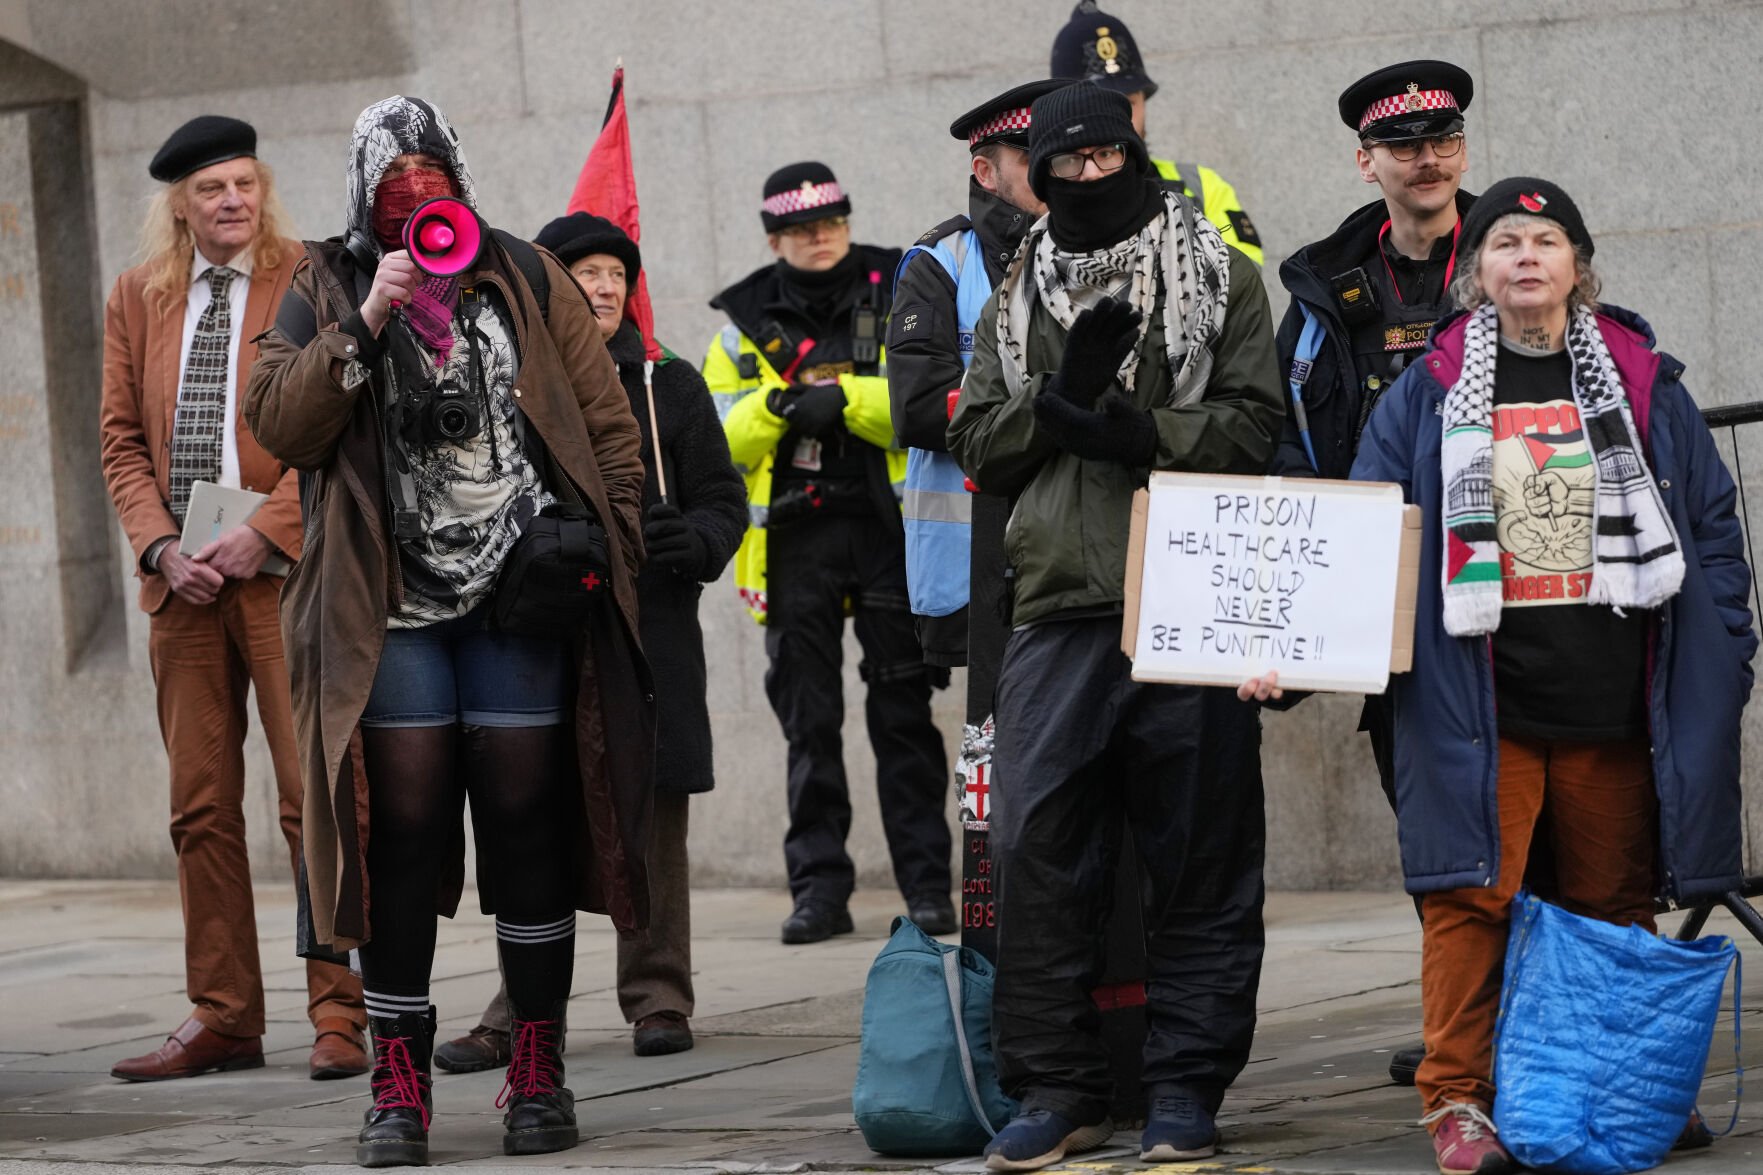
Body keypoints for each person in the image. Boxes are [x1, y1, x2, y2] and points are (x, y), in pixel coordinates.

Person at [1249, 177, 1756, 1175]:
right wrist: (1292, 657)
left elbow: (1710, 529)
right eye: (1503, 242)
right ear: (1474, 272)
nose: (1524, 255)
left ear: (1577, 265)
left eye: (1545, 239)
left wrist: (1726, 642)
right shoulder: (1424, 394)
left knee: (1610, 903)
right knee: (1469, 899)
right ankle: (1458, 1097)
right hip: (1479, 703)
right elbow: (1364, 542)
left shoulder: (1643, 381)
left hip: (1616, 701)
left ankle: (1620, 1084)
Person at [244, 96, 654, 1167]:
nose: (417, 197)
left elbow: (608, 424)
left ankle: (536, 1060)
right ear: (362, 192)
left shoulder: (517, 270)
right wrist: (367, 318)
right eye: (395, 182)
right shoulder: (325, 280)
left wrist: (601, 549)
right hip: (391, 615)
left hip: (518, 598)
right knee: (403, 834)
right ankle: (399, 1081)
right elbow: (278, 425)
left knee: (527, 822)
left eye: (434, 176)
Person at [948, 82, 1282, 1170]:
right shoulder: (1013, 296)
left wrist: (1144, 428)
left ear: (1134, 157)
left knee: (1200, 852)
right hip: (1056, 603)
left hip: (1191, 594)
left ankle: (1185, 1085)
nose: (1089, 178)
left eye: (1106, 158)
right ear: (1036, 178)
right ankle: (1057, 1084)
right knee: (1035, 848)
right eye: (1066, 165)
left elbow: (1249, 425)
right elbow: (979, 446)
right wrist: (1054, 399)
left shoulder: (1220, 276)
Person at [433, 213, 746, 1072]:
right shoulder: (511, 377)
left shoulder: (668, 384)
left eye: (616, 273)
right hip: (539, 630)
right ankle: (515, 1011)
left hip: (650, 630)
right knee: (531, 815)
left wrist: (702, 539)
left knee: (653, 813)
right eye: (584, 273)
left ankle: (658, 998)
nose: (603, 287)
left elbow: (724, 497)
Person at [99, 115, 367, 1085]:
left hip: (281, 575)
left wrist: (268, 526)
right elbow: (120, 438)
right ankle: (223, 1015)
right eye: (212, 188)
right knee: (199, 808)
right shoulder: (139, 297)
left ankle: (341, 1009)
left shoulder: (309, 276)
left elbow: (340, 423)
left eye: (245, 184)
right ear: (179, 203)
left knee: (316, 802)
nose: (231, 201)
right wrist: (161, 546)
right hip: (185, 590)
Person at [1270, 59, 1476, 1087]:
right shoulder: (1322, 294)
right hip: (1391, 611)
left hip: (1519, 603)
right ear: (1366, 162)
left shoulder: (1516, 252)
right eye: (1402, 145)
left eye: (1441, 139)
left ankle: (1524, 1015)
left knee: (1540, 819)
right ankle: (1464, 1017)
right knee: (1428, 817)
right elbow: (1288, 454)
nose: (1425, 158)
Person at [705, 162, 954, 945]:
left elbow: (926, 403)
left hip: (888, 534)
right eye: (803, 229)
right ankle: (818, 891)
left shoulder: (901, 286)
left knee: (903, 718)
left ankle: (927, 887)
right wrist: (778, 407)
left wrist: (844, 397)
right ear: (775, 237)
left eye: (833, 223)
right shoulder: (743, 319)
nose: (821, 238)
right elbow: (715, 437)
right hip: (794, 537)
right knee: (807, 723)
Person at [886, 79, 1061, 668]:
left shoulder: (1121, 248)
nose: (1056, 170)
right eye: (1032, 157)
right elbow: (917, 407)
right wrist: (1059, 407)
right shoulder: (940, 262)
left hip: (1085, 555)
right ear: (986, 173)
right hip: (974, 561)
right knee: (997, 746)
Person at [1050, 2, 1263, 266]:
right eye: (1101, 106)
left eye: (1129, 102)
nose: (1121, 119)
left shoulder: (1201, 185)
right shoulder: (1044, 198)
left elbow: (1244, 272)